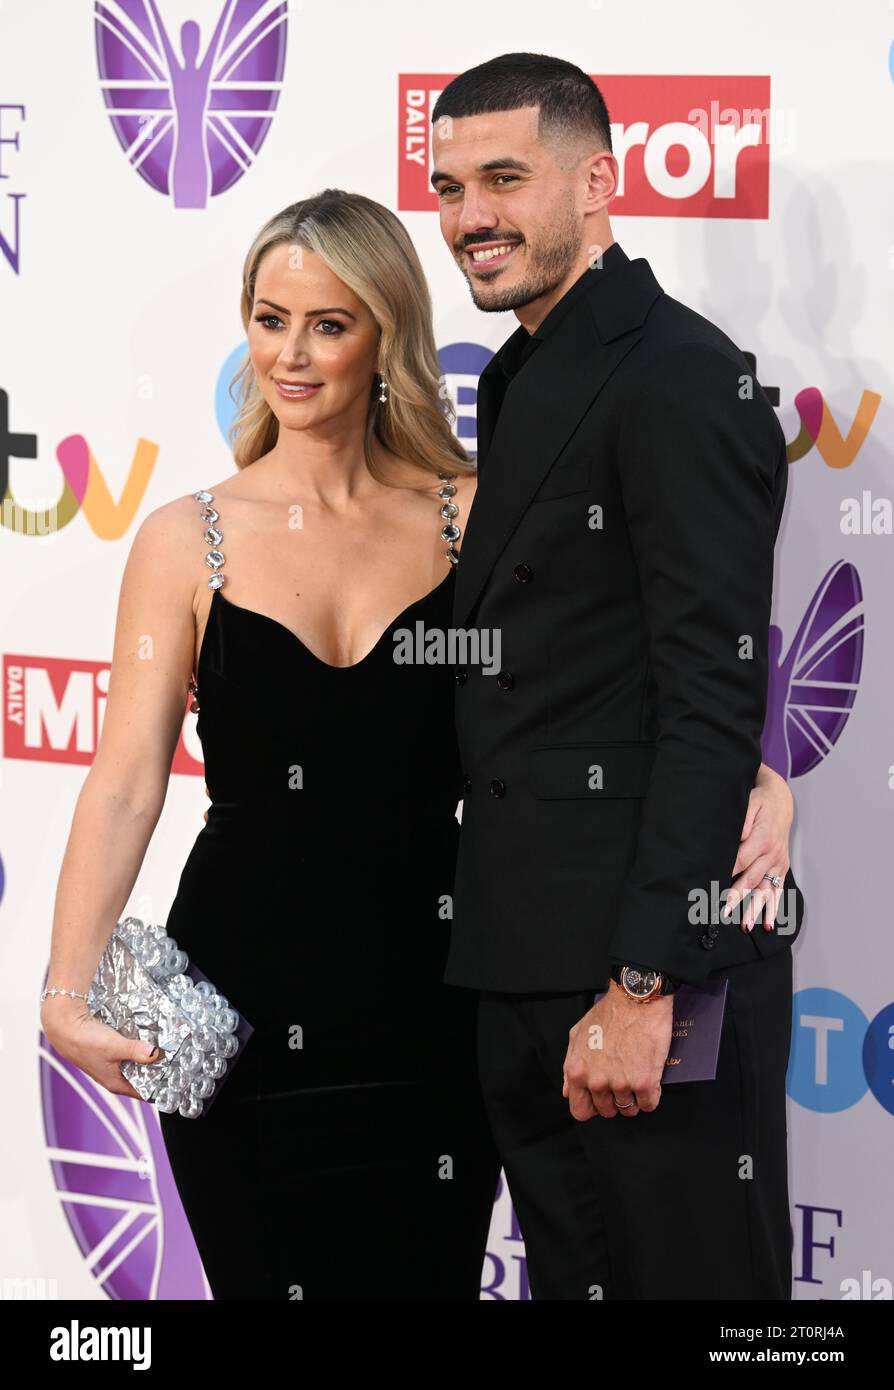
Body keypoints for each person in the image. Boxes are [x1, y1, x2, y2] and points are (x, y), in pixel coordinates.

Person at [40, 186, 794, 1302]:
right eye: (268, 319)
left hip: (436, 999)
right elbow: (123, 786)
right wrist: (64, 992)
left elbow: (626, 676)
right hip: (239, 1008)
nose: (290, 356)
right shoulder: (183, 538)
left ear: (384, 336)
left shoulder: (470, 518)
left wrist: (758, 773)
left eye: (327, 324)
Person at [430, 52, 805, 1300]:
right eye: (449, 187)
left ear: (600, 181)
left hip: (644, 985)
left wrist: (647, 980)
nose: (470, 216)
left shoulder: (680, 377)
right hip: (527, 966)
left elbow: (711, 691)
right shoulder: (529, 368)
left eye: (503, 179)